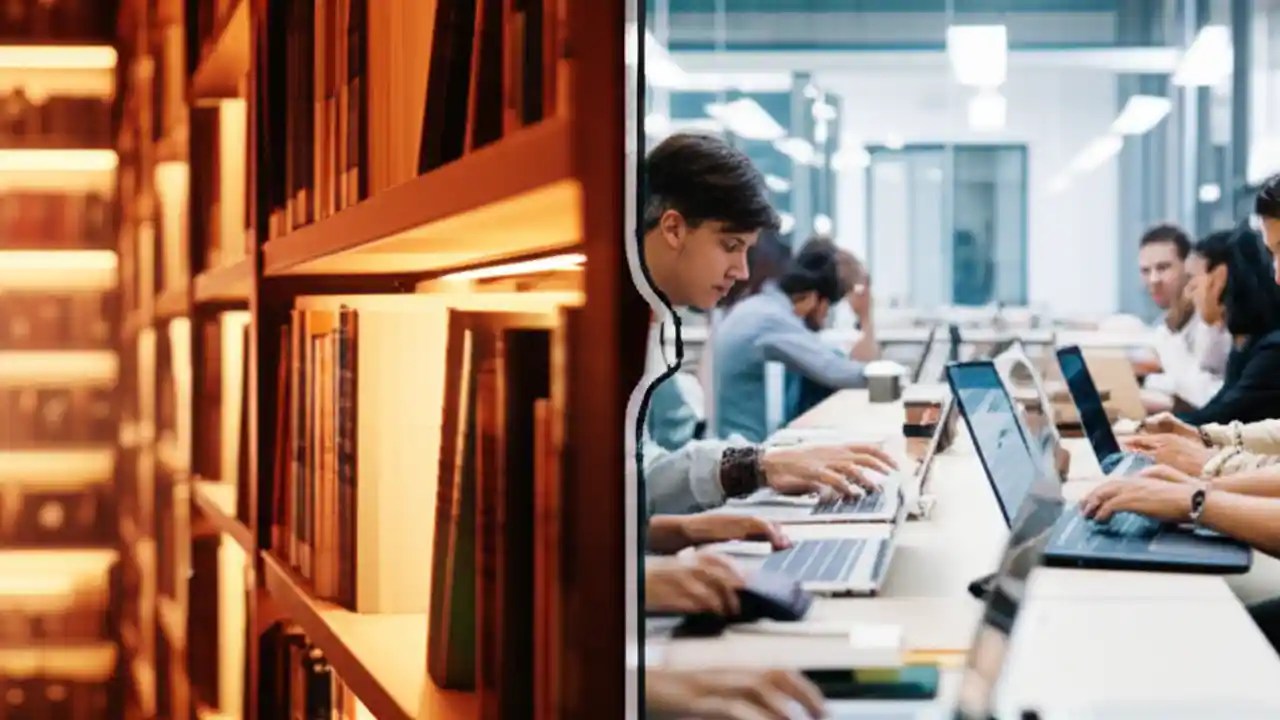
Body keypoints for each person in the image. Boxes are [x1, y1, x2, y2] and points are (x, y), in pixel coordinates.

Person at [638, 133, 889, 717]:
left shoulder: (651, 318)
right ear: (673, 228)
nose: (742, 269)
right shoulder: (594, 320)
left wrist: (681, 531)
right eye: (731, 245)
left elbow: (629, 478)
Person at [710, 238, 878, 443]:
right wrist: (892, 379)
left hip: (734, 439)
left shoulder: (759, 307)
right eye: (827, 307)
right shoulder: (771, 318)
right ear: (813, 298)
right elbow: (833, 370)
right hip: (742, 446)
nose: (825, 316)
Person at [1132, 224, 1230, 410]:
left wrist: (1152, 381)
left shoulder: (1213, 317)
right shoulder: (1165, 325)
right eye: (1145, 271)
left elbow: (1211, 395)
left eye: (1163, 268)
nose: (1153, 279)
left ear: (1188, 265)